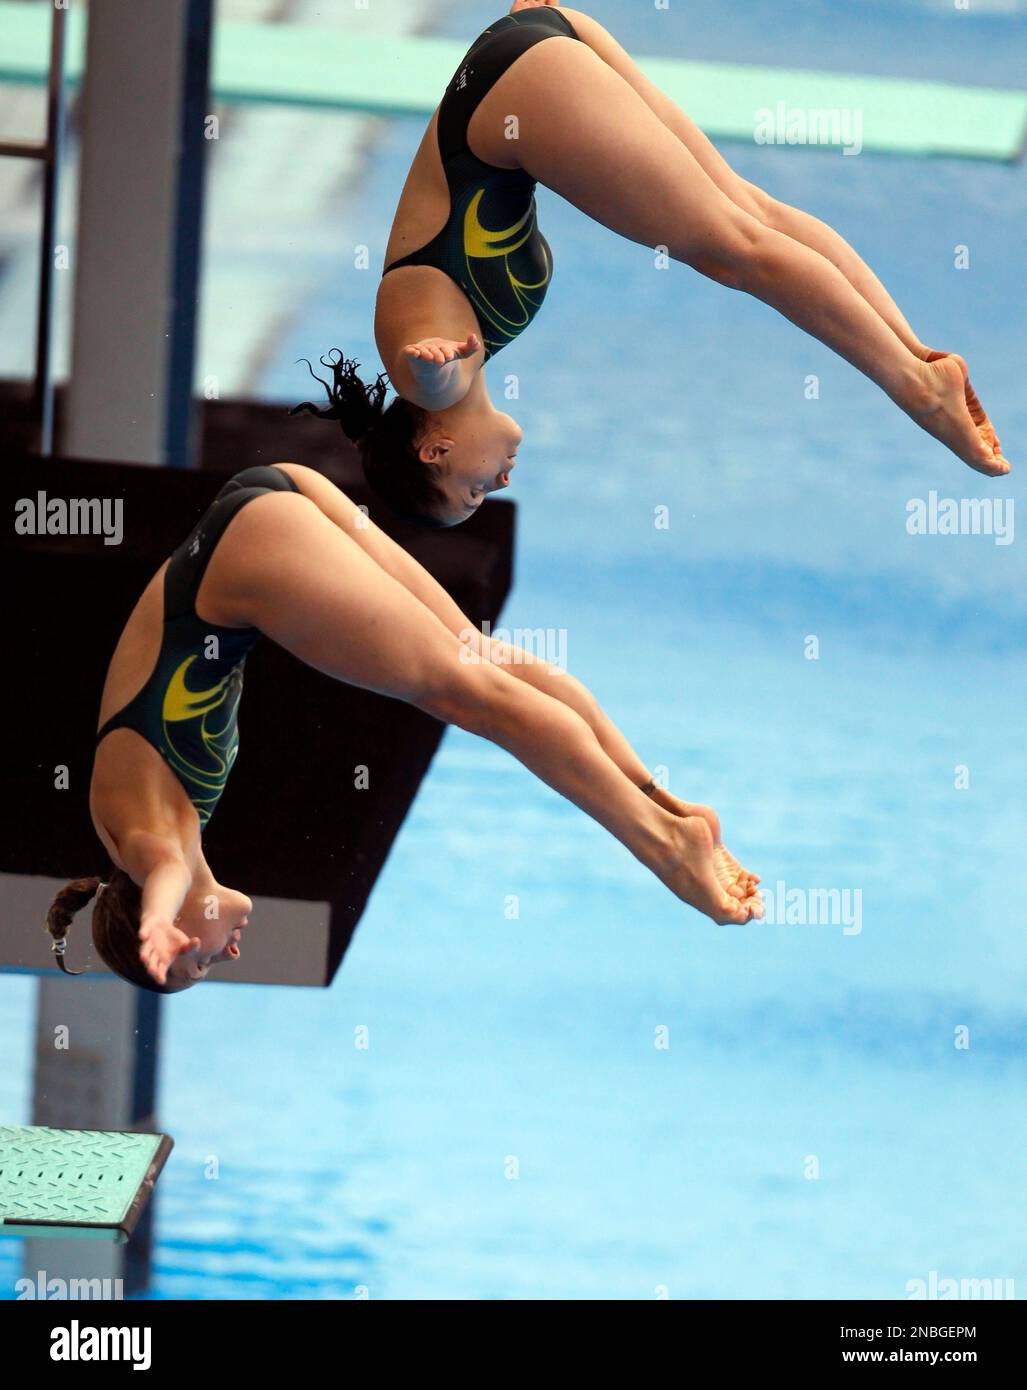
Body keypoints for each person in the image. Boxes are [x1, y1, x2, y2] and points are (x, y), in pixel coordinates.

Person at [46, 464, 762, 992]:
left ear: (161, 931)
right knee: (481, 661)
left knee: (471, 697)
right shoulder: (173, 822)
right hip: (273, 500)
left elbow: (163, 874)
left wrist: (160, 922)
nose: (225, 955)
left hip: (249, 556)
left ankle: (665, 846)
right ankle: (664, 803)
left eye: (196, 960)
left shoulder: (142, 842)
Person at [308, 0, 1010, 526]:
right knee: (750, 212)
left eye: (472, 490)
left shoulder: (426, 382)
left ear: (433, 452)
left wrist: (433, 367)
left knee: (736, 254)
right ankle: (920, 357)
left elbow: (429, 373)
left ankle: (919, 393)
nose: (498, 482)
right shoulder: (474, 351)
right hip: (534, 50)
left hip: (524, 88)